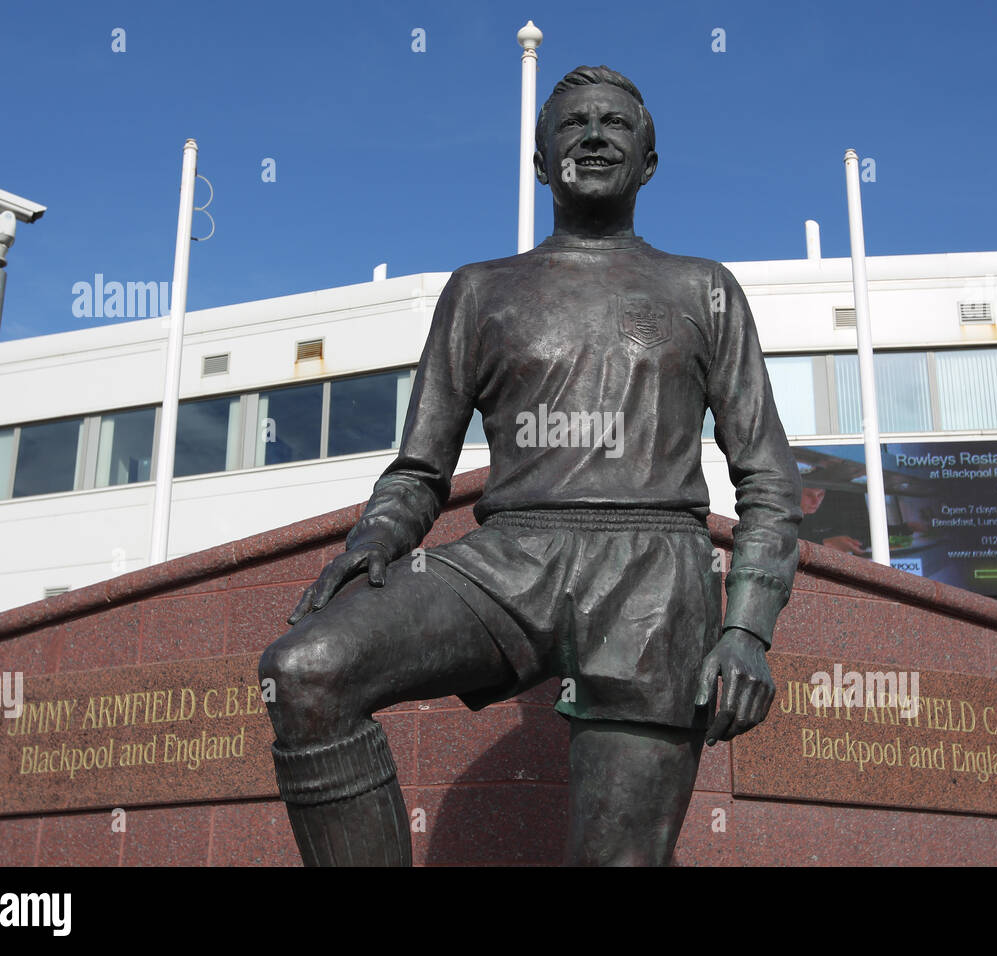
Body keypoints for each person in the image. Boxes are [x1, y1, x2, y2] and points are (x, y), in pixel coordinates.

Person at [259, 65, 803, 866]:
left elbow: (768, 481)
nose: (592, 134)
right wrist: (373, 540)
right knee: (306, 671)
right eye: (572, 124)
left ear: (648, 163)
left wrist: (747, 630)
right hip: (511, 557)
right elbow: (418, 471)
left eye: (615, 125)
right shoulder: (480, 292)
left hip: (654, 575)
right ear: (542, 162)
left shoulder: (704, 290)